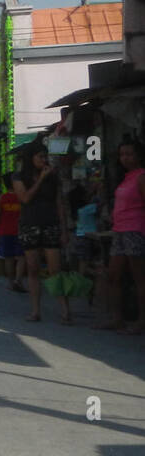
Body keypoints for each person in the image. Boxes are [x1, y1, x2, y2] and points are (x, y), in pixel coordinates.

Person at [13, 144, 70, 324]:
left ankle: (65, 311)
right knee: (33, 269)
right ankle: (36, 311)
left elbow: (59, 203)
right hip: (30, 225)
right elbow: (25, 198)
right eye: (40, 156)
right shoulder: (19, 177)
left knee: (55, 270)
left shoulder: (53, 178)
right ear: (31, 158)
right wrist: (40, 180)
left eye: (45, 156)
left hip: (50, 224)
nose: (43, 160)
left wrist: (63, 229)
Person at [98, 138, 145, 335]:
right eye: (122, 154)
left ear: (138, 155)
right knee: (113, 275)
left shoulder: (141, 176)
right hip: (119, 230)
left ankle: (141, 321)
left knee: (139, 278)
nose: (124, 158)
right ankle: (116, 318)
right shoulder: (126, 177)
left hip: (135, 230)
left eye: (129, 154)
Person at [0, 172, 24, 291]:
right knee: (22, 257)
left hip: (5, 231)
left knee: (8, 258)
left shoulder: (1, 198)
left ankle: (11, 282)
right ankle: (18, 280)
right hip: (20, 231)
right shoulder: (22, 197)